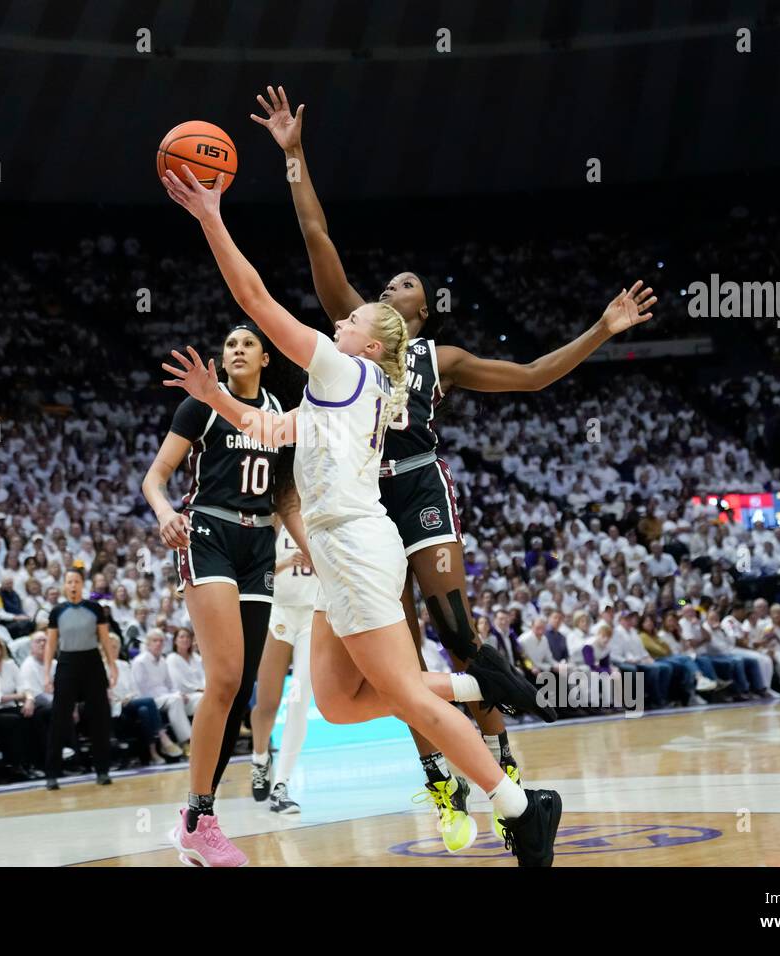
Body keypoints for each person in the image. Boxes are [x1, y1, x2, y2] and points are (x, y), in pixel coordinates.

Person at [252, 84, 654, 843]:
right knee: (390, 661)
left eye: (406, 284)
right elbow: (318, 241)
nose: (390, 285)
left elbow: (534, 375)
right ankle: (441, 778)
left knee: (456, 628)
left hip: (419, 488)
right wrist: (296, 158)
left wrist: (602, 327)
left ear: (423, 312)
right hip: (365, 503)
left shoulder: (444, 357)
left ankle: (503, 759)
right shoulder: (354, 334)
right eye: (388, 282)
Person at [161, 164, 564, 867]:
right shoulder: (349, 387)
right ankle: (479, 683)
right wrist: (213, 397)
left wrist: (211, 219)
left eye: (347, 321)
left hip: (353, 546)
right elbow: (276, 432)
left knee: (408, 697)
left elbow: (256, 299)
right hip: (342, 549)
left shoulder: (341, 371)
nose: (337, 320)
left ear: (370, 344)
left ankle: (521, 807)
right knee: (342, 702)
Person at [141, 316, 312, 851]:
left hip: (260, 543)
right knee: (225, 677)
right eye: (230, 343)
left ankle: (196, 814)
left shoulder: (282, 417)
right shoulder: (201, 406)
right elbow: (154, 477)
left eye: (248, 343)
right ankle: (200, 819)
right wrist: (165, 512)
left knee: (240, 689)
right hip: (208, 532)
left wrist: (317, 554)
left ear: (265, 358)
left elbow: (285, 499)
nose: (237, 349)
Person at [248, 523, 317, 814]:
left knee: (299, 700)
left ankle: (282, 785)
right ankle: (260, 758)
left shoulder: (324, 509)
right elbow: (254, 572)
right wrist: (287, 562)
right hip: (278, 612)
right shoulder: (276, 517)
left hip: (313, 614)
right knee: (267, 703)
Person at [42, 568, 120, 789]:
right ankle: (51, 774)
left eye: (76, 581)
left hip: (93, 663)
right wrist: (46, 673)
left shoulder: (95, 608)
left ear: (82, 584)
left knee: (100, 718)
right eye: (69, 582)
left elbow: (105, 640)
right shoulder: (57, 612)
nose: (73, 585)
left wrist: (112, 666)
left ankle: (102, 770)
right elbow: (50, 644)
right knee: (59, 719)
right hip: (66, 664)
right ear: (64, 586)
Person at [0, 633, 45, 780]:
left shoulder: (10, 665)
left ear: (1, 648)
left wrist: (29, 700)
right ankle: (17, 765)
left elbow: (25, 687)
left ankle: (38, 762)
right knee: (16, 720)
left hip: (11, 706)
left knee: (37, 713)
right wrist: (19, 696)